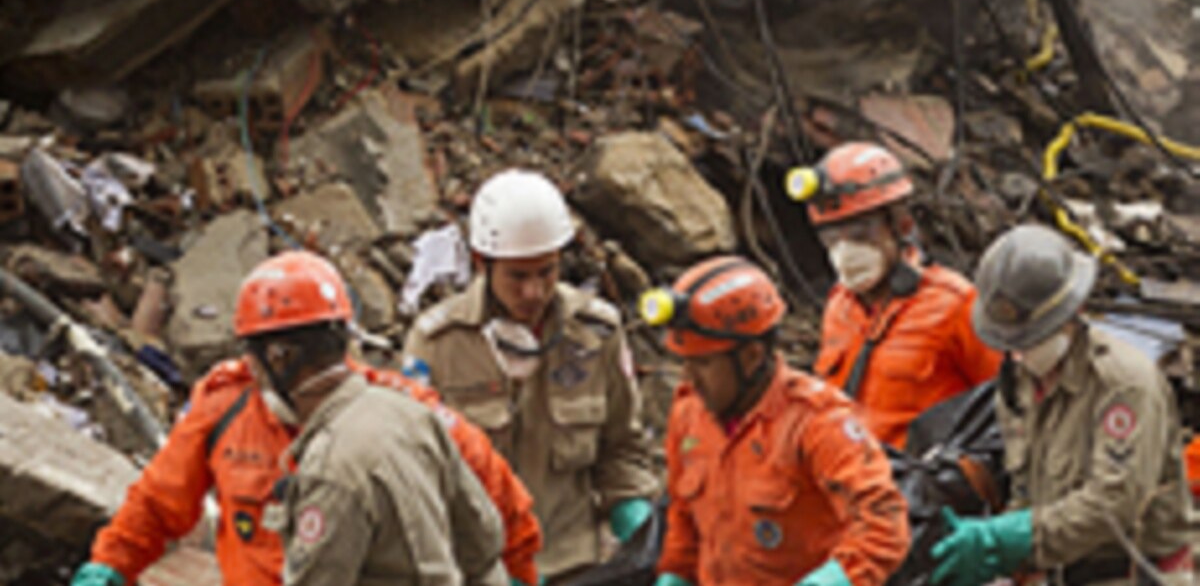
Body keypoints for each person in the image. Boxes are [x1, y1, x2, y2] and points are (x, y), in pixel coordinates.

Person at [74, 251, 540, 586]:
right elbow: (157, 503)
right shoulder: (226, 409)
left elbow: (503, 508)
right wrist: (110, 566)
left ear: (277, 356)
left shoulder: (401, 418)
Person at [404, 169, 658, 582]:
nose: (534, 292)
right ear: (482, 263)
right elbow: (415, 469)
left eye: (547, 272)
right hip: (481, 570)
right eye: (517, 276)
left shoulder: (597, 333)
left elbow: (622, 449)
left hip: (573, 565)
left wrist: (635, 516)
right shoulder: (437, 343)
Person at [931, 224, 1194, 586]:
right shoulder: (1018, 387)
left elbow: (1116, 501)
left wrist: (1016, 539)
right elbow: (1026, 490)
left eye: (1033, 337)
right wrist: (998, 545)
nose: (1022, 352)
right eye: (1012, 343)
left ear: (1073, 313)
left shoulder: (1122, 383)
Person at [643, 256, 911, 586]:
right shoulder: (689, 413)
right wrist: (675, 573)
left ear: (752, 356)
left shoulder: (816, 421)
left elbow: (884, 522)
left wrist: (834, 579)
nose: (690, 378)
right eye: (685, 362)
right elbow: (683, 516)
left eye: (704, 364)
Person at [785, 141, 1003, 448]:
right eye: (831, 237)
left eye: (861, 233)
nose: (844, 250)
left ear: (901, 225)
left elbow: (1008, 404)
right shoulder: (839, 308)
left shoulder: (954, 304)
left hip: (925, 485)